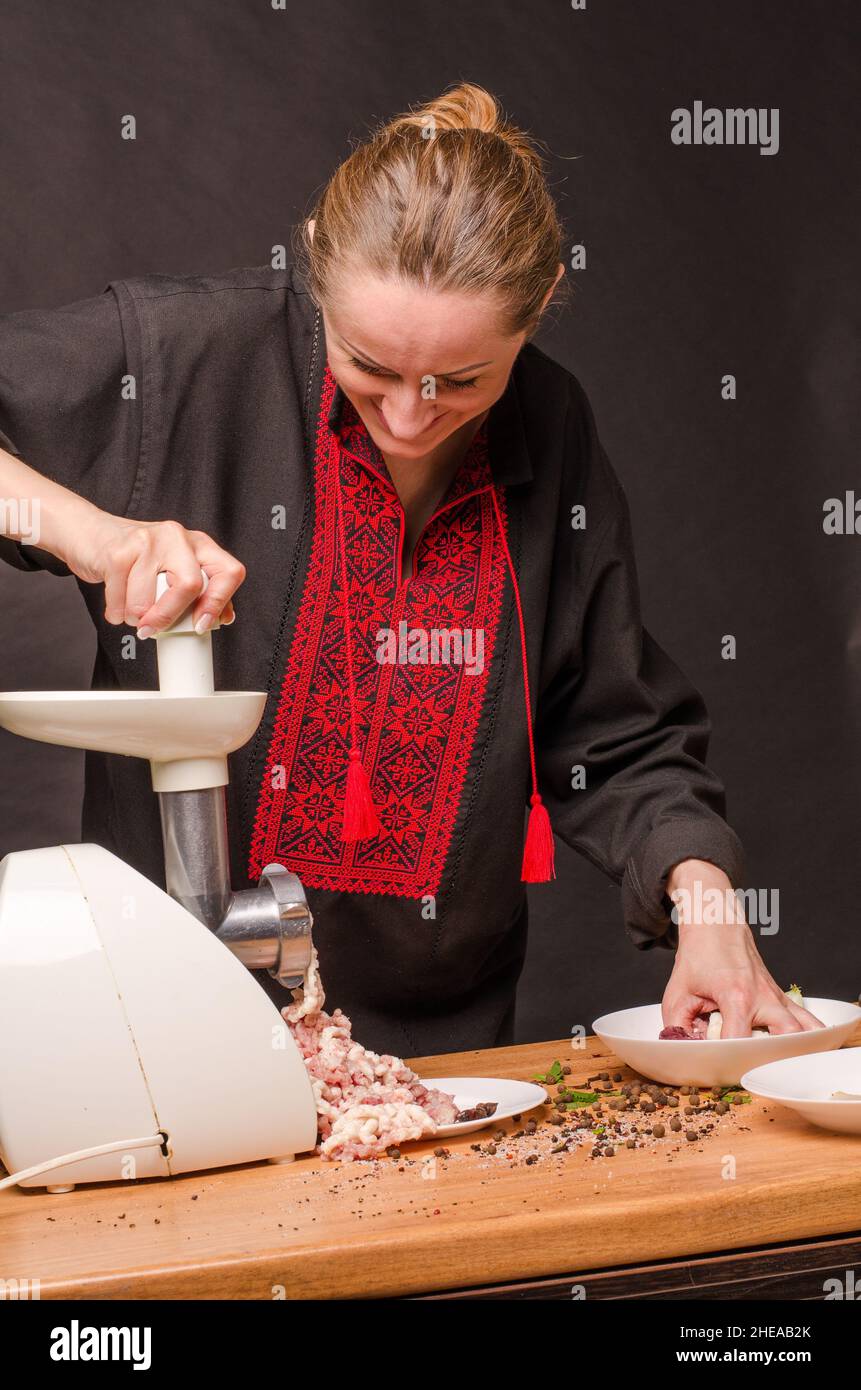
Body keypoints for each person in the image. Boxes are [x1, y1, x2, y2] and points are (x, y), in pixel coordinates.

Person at [0, 83, 821, 1057]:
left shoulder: (552, 429)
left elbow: (614, 730)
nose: (407, 417)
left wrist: (708, 903)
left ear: (545, 299)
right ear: (315, 265)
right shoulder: (184, 361)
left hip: (451, 1062)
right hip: (163, 1040)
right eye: (368, 365)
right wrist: (94, 535)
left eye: (463, 382)